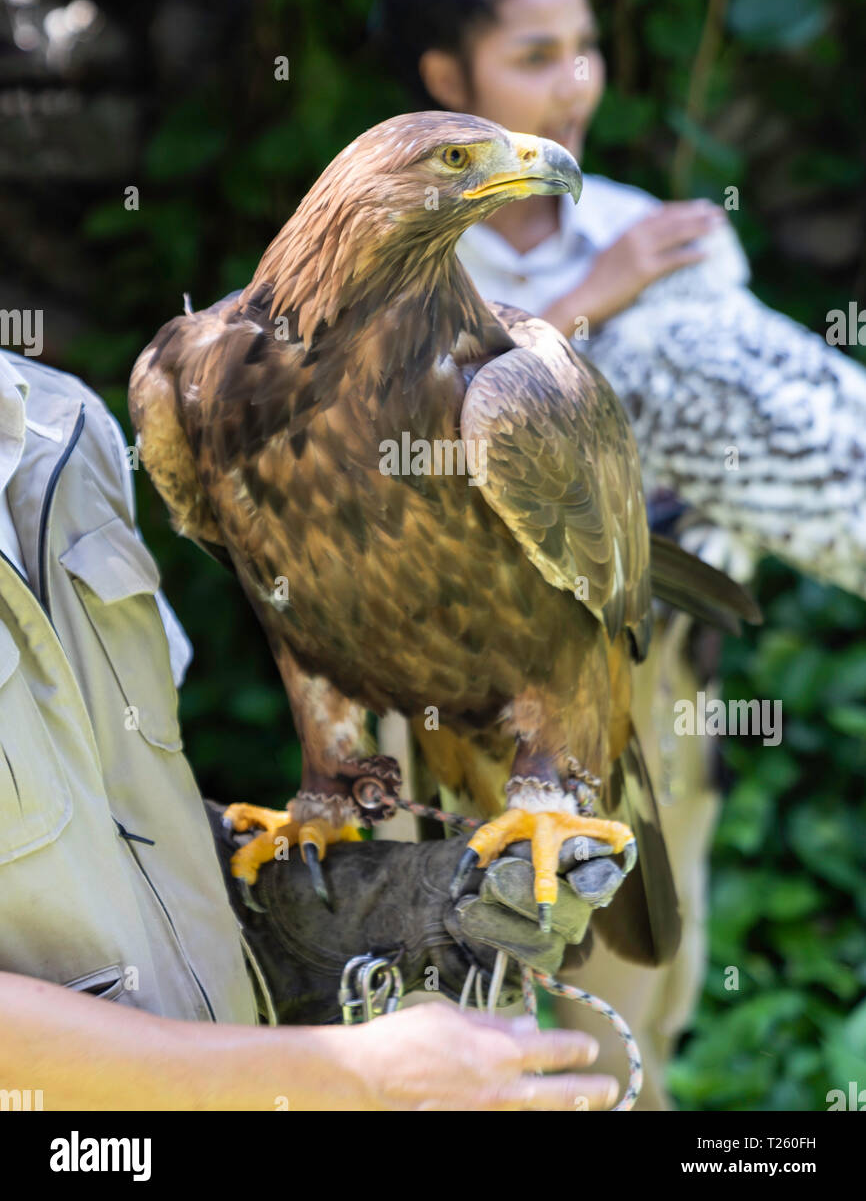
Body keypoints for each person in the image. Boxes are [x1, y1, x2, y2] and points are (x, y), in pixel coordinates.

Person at [0, 344, 624, 1110]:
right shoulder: (177, 393)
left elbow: (101, 813)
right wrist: (340, 1074)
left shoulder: (58, 424)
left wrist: (282, 915)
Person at [376, 0, 740, 1110]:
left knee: (629, 954)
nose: (571, 82)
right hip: (423, 674)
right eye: (532, 56)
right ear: (445, 72)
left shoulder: (667, 237)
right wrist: (592, 297)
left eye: (580, 46)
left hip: (630, 663)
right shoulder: (386, 244)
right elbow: (383, 440)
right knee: (430, 975)